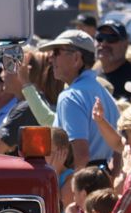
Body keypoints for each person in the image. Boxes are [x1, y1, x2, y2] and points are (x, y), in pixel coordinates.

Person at [46, 30, 120, 168]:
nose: (51, 59)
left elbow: (81, 156)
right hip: (103, 176)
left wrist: (73, 182)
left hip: (83, 177)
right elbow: (119, 149)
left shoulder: (70, 97)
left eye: (56, 52)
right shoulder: (104, 93)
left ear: (76, 58)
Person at [92, 20, 131, 101]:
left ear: (125, 45)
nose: (104, 44)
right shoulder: (94, 71)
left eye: (111, 38)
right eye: (100, 38)